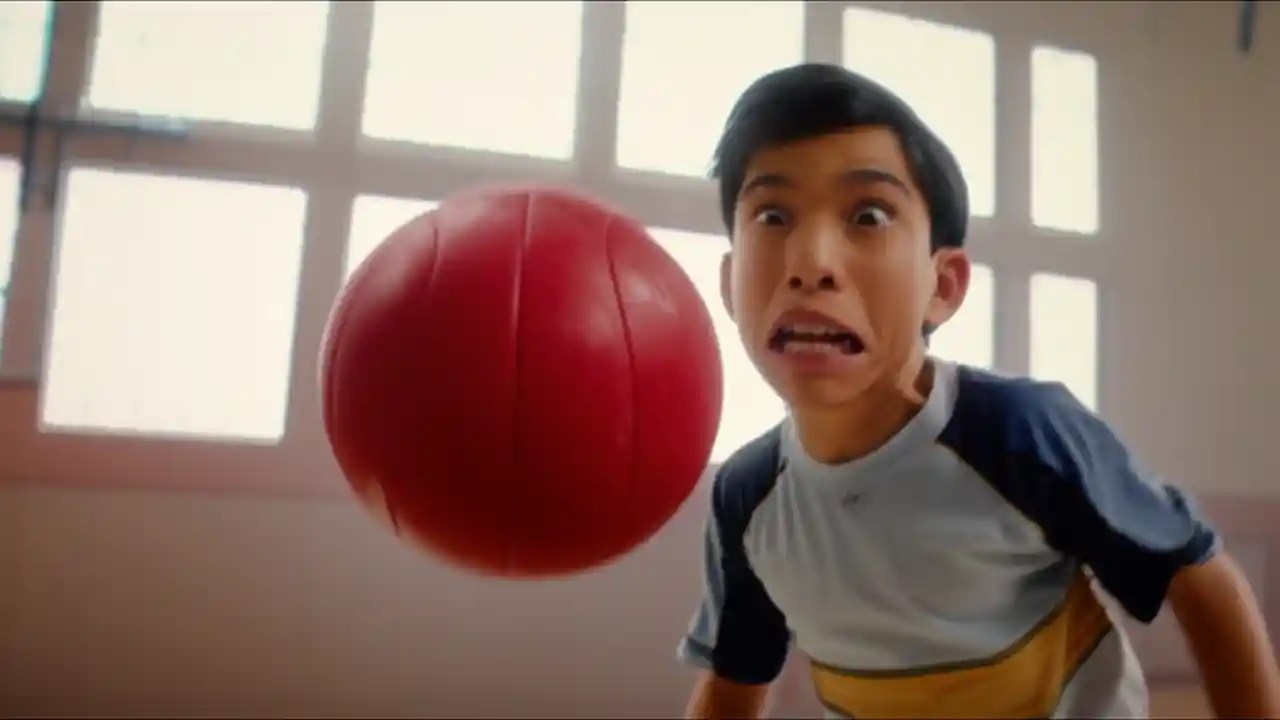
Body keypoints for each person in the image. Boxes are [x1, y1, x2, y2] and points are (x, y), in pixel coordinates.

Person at [676, 62, 1280, 719]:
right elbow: (733, 684)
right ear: (730, 283)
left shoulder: (1021, 432)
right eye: (772, 215)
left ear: (943, 286)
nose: (811, 262)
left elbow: (1200, 579)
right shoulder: (748, 496)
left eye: (868, 215)